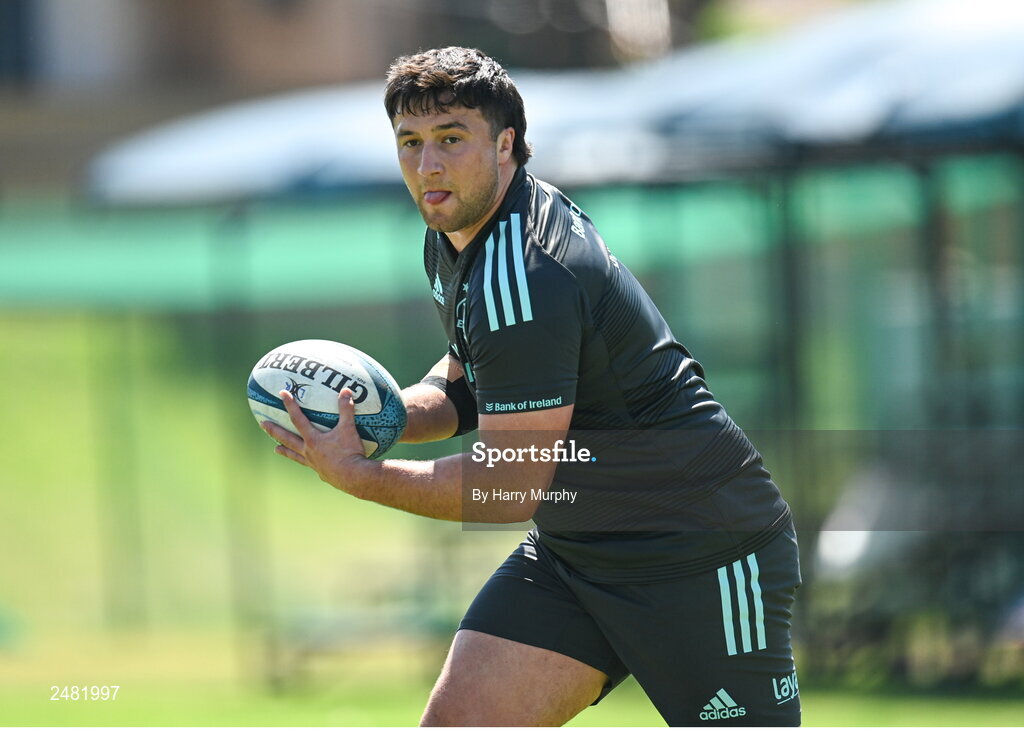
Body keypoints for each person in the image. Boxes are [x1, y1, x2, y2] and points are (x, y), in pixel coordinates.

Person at [262, 46, 801, 727]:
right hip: (578, 554)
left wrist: (360, 477)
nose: (428, 165)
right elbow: (467, 380)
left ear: (506, 143)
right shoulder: (458, 231)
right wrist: (377, 417)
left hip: (697, 550)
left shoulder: (527, 272)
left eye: (451, 140)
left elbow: (508, 487)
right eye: (411, 143)